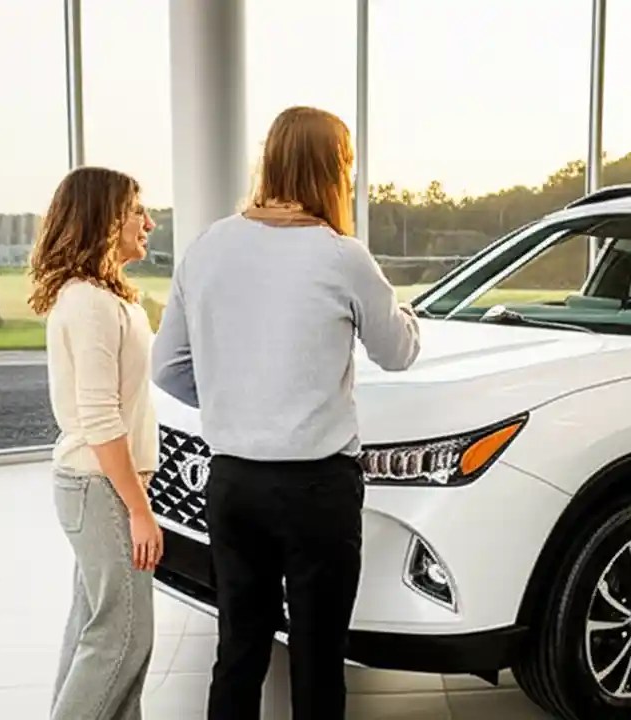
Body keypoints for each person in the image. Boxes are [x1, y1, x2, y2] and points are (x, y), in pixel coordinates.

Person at [151, 106, 421, 719]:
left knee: (239, 649)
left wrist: (234, 396)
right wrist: (399, 310)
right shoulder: (342, 256)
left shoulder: (208, 246)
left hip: (233, 484)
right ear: (332, 170)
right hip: (316, 491)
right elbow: (398, 351)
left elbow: (166, 367)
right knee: (318, 656)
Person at [30, 166, 164, 719]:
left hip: (99, 486)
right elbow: (100, 418)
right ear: (106, 219)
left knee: (96, 632)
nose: (149, 222)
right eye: (137, 211)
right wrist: (139, 510)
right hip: (102, 488)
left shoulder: (105, 298)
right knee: (123, 640)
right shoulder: (87, 302)